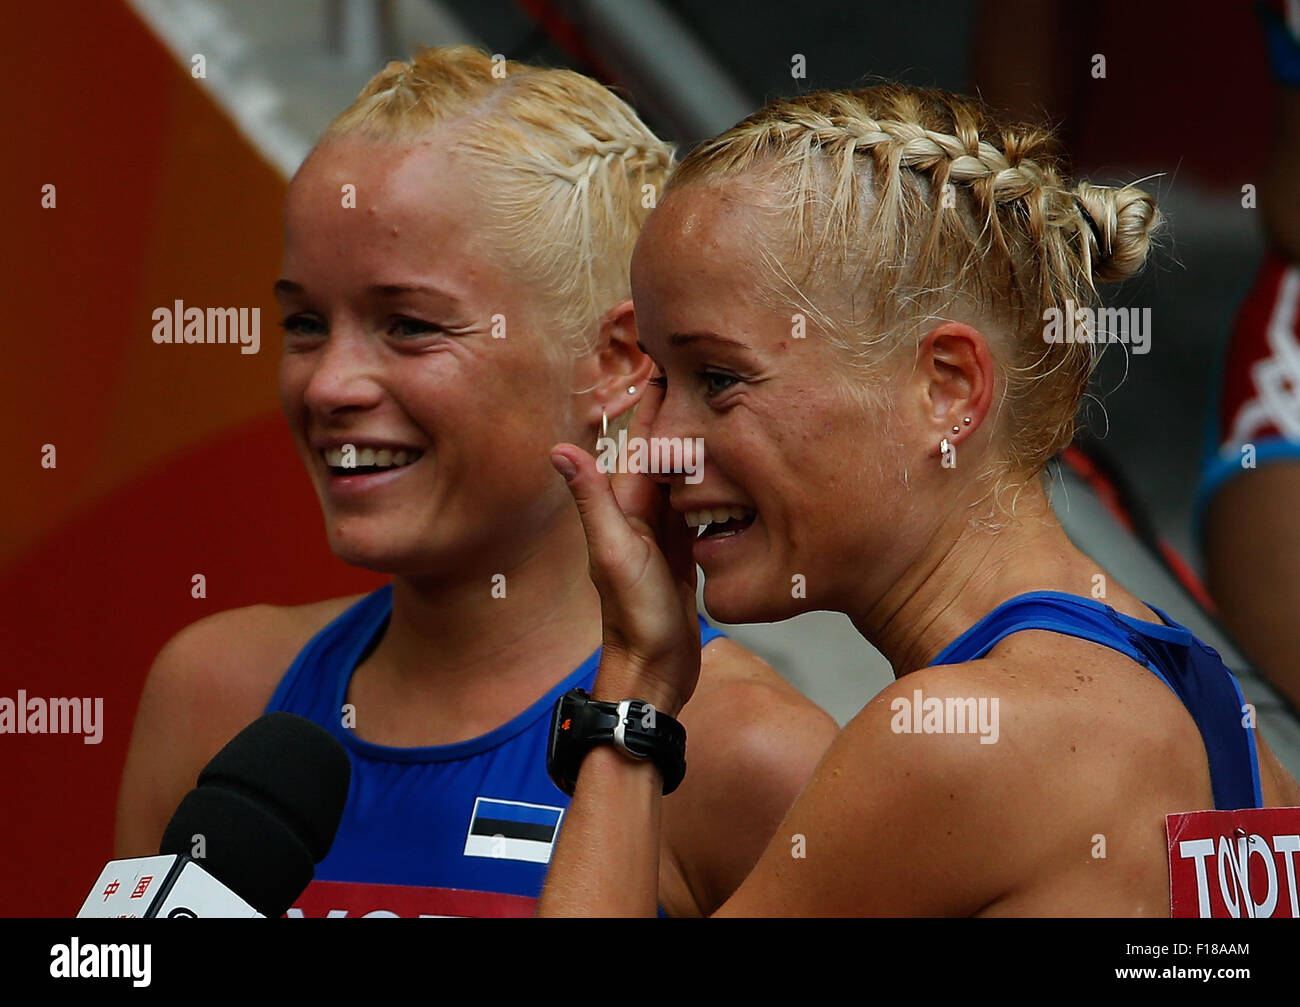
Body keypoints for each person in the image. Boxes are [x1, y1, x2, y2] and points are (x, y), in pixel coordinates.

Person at [539, 84, 1300, 916]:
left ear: (948, 389)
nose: (656, 444)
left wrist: (634, 686)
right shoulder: (1213, 710)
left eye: (718, 379)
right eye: (657, 379)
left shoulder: (956, 737)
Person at [115, 46, 836, 918]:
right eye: (305, 322)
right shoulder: (212, 693)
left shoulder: (751, 755)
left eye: (410, 325)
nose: (330, 383)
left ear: (613, 361)